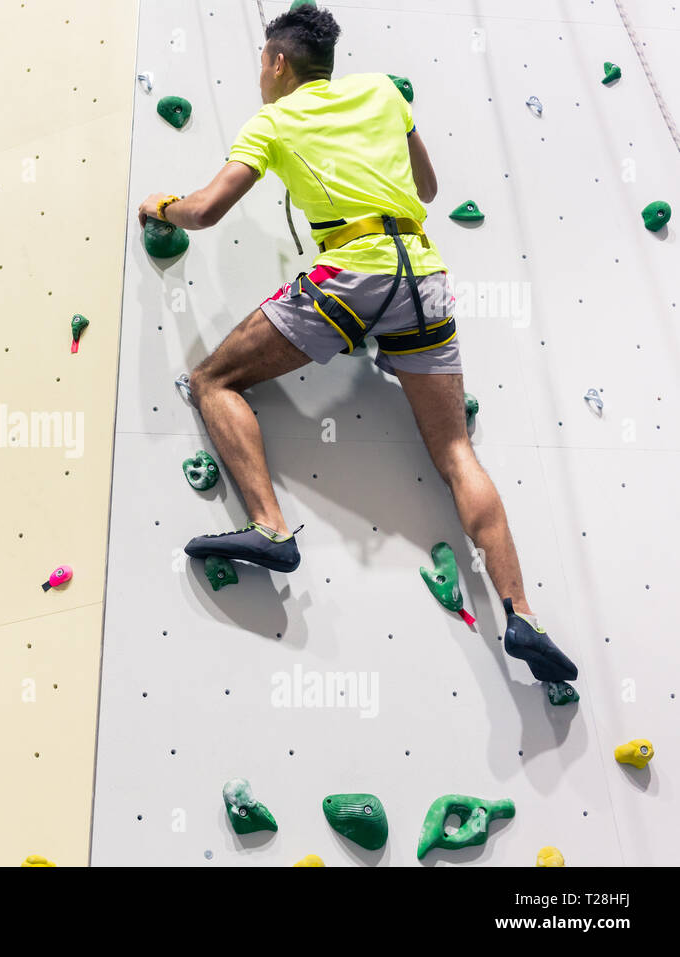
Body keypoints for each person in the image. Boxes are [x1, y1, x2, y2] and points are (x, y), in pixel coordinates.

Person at [136, 5, 577, 684]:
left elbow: (205, 210)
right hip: (422, 273)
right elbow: (427, 189)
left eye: (261, 60)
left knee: (212, 381)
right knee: (457, 450)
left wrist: (159, 206)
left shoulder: (274, 120)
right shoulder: (382, 92)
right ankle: (521, 613)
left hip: (352, 272)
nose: (260, 72)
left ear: (277, 62)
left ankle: (270, 528)